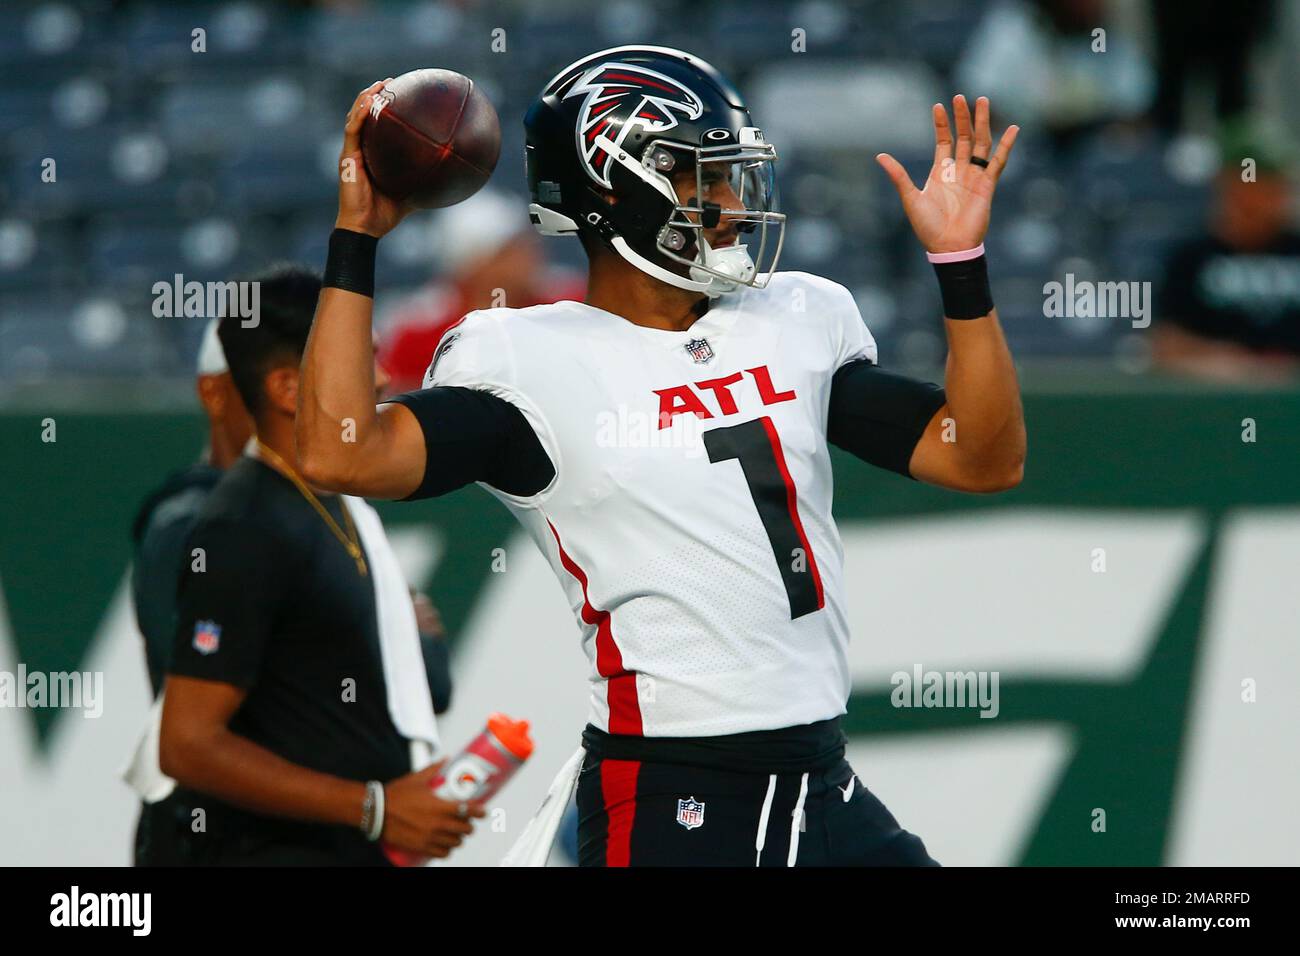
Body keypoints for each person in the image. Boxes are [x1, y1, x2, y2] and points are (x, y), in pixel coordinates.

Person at [297, 47, 1025, 866]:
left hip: (819, 778)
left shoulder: (790, 319)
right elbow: (341, 456)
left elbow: (982, 460)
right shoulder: (529, 362)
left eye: (727, 175)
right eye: (696, 178)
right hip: (674, 789)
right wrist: (355, 236)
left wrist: (960, 267)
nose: (726, 201)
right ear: (614, 192)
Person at [158, 265, 482, 865]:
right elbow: (186, 744)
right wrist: (374, 807)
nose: (385, 379)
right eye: (360, 361)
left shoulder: (336, 499)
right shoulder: (243, 526)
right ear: (286, 388)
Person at [128, 319, 253, 866]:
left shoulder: (338, 518)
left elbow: (428, 679)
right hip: (207, 838)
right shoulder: (186, 524)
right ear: (216, 393)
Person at [378, 188, 585, 392]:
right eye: (508, 250)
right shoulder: (418, 332)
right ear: (475, 263)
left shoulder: (569, 303)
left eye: (525, 243)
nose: (529, 253)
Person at [1153, 137, 1300, 381]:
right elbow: (1165, 343)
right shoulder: (1191, 257)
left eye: (1270, 186)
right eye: (1249, 186)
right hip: (1215, 398)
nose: (1258, 197)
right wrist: (1222, 361)